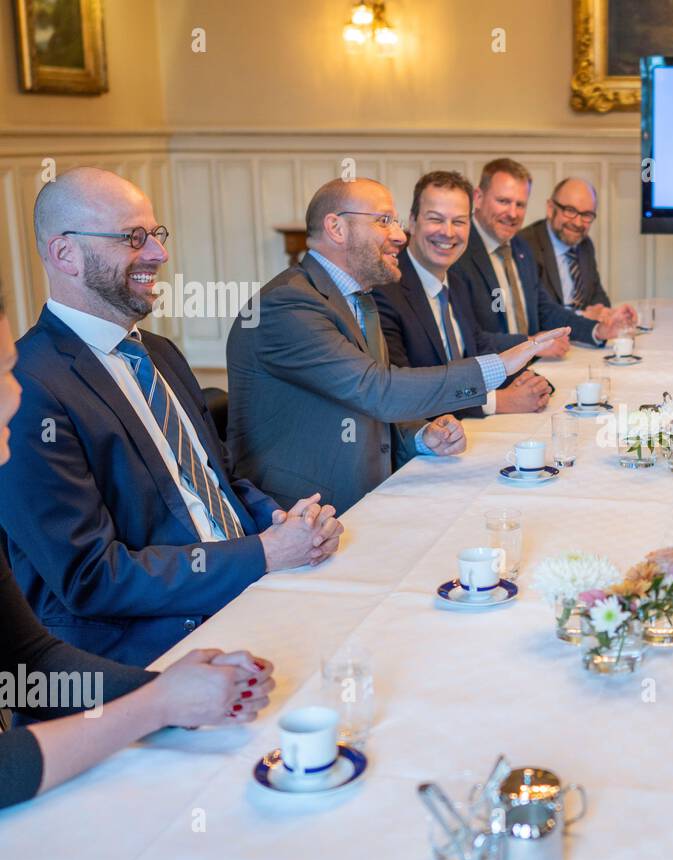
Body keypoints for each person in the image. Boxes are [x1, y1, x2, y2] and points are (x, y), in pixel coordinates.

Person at [0, 168, 343, 667]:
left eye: (155, 235)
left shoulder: (159, 352)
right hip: (147, 652)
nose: (159, 255)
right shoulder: (27, 386)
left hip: (248, 592)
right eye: (132, 238)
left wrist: (287, 522)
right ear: (64, 253)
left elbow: (216, 482)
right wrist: (265, 553)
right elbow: (89, 578)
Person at [0, 279, 275, 811]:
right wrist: (156, 703)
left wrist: (181, 687)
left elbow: (31, 659)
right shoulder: (43, 392)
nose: (16, 391)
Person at [226, 177, 568, 513]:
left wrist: (420, 438)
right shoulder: (286, 306)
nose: (400, 236)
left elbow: (370, 411)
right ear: (336, 228)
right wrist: (499, 366)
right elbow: (378, 391)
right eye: (384, 221)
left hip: (370, 496)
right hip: (304, 514)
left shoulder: (360, 300)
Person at [373, 170, 553, 417]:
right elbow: (403, 390)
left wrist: (529, 350)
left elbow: (475, 345)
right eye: (436, 219)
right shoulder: (384, 291)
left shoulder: (455, 281)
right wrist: (495, 402)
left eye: (458, 221)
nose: (448, 232)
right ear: (412, 222)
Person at [451, 159, 635, 351]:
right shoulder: (456, 252)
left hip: (532, 366)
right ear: (478, 198)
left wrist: (598, 330)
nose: (513, 213)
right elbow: (467, 339)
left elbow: (545, 310)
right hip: (491, 375)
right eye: (503, 201)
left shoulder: (519, 247)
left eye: (520, 204)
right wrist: (531, 345)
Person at [519, 177, 614, 314]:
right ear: (551, 209)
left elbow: (597, 294)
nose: (578, 223)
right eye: (570, 211)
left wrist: (604, 313)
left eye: (586, 214)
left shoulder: (585, 244)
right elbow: (534, 313)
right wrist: (584, 317)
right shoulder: (525, 246)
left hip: (585, 333)